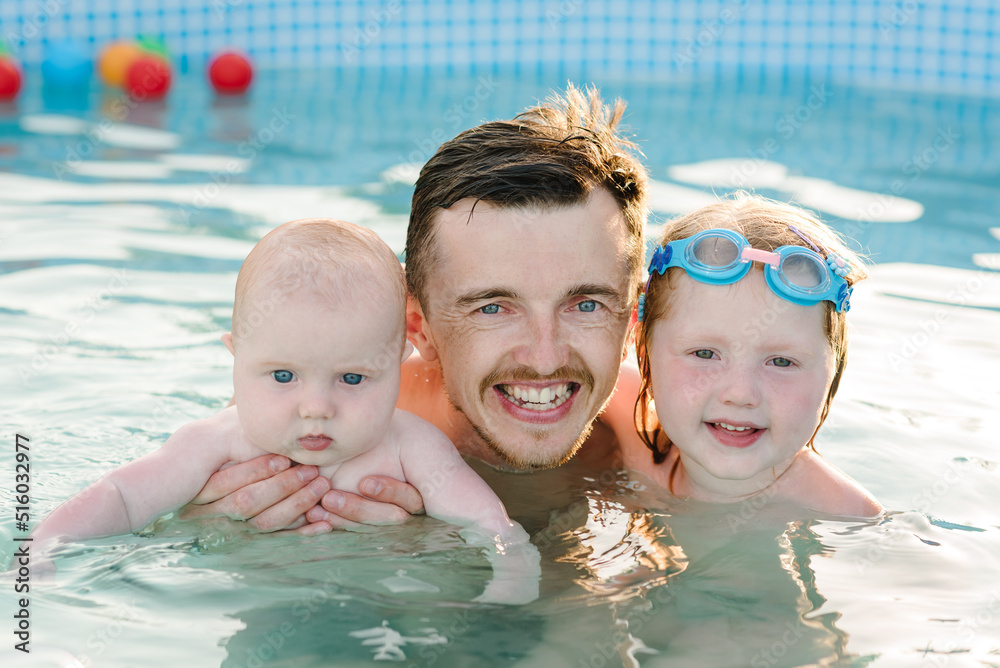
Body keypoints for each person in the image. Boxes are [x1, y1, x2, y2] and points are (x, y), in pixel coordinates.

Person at [180, 83, 653, 530]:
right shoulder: (309, 416)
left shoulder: (657, 434)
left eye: (586, 305)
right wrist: (208, 524)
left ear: (633, 320)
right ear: (417, 326)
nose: (545, 357)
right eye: (491, 308)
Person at [32, 218, 539, 603]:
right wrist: (47, 544)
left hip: (374, 602)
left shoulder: (413, 446)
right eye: (282, 377)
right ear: (235, 357)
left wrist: (512, 571)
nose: (316, 408)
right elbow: (121, 497)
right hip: (253, 601)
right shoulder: (216, 441)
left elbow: (488, 524)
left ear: (399, 361)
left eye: (353, 378)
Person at [626, 193, 882, 516]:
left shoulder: (847, 517)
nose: (740, 394)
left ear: (835, 371)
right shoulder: (614, 431)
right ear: (642, 348)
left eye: (781, 362)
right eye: (705, 353)